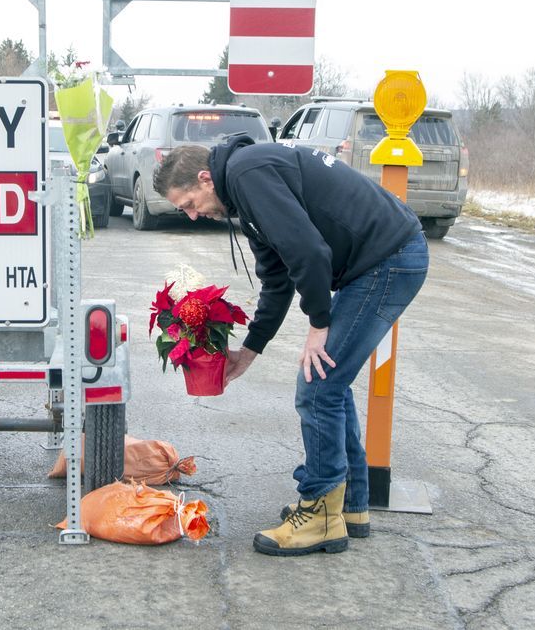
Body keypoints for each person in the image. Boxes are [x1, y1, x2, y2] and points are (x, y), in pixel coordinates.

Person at [153, 136, 429, 556]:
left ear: (206, 179)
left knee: (318, 385)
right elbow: (277, 278)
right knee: (328, 381)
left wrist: (319, 324)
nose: (192, 215)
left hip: (387, 259)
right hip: (379, 260)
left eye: (189, 203)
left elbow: (309, 252)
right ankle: (349, 504)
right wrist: (250, 350)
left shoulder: (247, 173)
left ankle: (320, 515)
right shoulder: (244, 184)